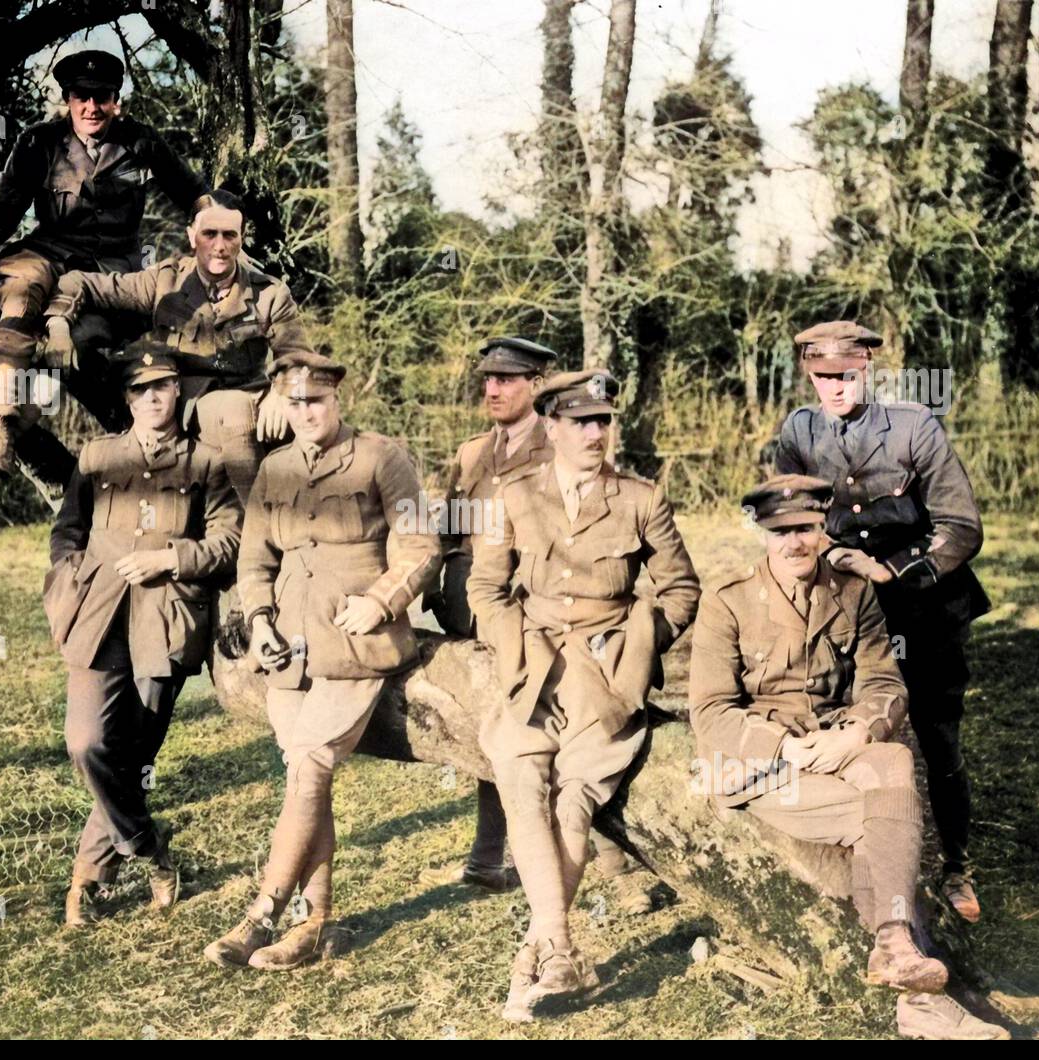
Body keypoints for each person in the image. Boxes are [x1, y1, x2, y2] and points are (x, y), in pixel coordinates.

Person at [688, 474, 1006, 1040]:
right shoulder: (728, 598)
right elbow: (710, 712)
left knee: (893, 765)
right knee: (887, 820)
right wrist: (785, 747)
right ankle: (922, 1005)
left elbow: (886, 684)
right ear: (762, 532)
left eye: (807, 529)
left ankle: (893, 945)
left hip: (831, 746)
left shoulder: (853, 592)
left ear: (823, 528)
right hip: (766, 765)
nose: (794, 543)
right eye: (781, 531)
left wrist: (857, 732)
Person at [467, 369, 700, 1022]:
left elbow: (682, 589)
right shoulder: (511, 495)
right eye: (580, 421)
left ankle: (541, 954)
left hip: (606, 681)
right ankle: (557, 949)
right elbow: (484, 591)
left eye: (603, 420)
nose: (595, 433)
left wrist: (638, 646)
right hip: (533, 667)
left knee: (573, 800)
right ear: (550, 426)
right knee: (518, 776)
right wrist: (515, 656)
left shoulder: (641, 499)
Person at [203, 350, 440, 971]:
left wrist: (382, 601)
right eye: (295, 401)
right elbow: (253, 561)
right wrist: (256, 623)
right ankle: (319, 924)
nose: (307, 411)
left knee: (309, 765)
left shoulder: (380, 457)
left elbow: (419, 548)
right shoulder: (275, 468)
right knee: (306, 779)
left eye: (318, 400)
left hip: (355, 644)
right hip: (288, 648)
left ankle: (261, 916)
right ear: (281, 404)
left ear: (338, 399)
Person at [774, 321, 989, 923]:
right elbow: (790, 514)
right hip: (848, 603)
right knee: (849, 728)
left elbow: (962, 526)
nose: (835, 388)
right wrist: (833, 553)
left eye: (845, 376)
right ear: (809, 374)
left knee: (937, 733)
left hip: (925, 601)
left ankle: (955, 865)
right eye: (823, 377)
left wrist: (896, 568)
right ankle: (865, 867)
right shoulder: (800, 430)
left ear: (866, 369)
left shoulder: (914, 426)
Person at [427, 337, 652, 911]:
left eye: (507, 380)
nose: (493, 390)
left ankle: (614, 864)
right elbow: (450, 530)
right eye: (488, 380)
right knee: (506, 733)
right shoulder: (474, 452)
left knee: (561, 736)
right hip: (477, 610)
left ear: (536, 389)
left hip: (546, 621)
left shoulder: (562, 451)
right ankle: (488, 854)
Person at [0, 50, 208, 484]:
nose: (92, 107)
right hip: (46, 253)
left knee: (78, 343)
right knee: (21, 290)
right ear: (68, 100)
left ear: (116, 100)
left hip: (107, 275)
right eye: (81, 97)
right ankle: (0, 421)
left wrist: (221, 235)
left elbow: (194, 196)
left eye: (102, 97)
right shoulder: (39, 142)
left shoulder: (142, 142)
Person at [43, 346, 241, 927]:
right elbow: (67, 531)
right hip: (99, 617)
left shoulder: (207, 463)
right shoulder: (99, 457)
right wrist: (70, 583)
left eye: (163, 386)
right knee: (85, 743)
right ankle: (151, 846)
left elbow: (228, 542)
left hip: (166, 622)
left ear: (178, 392)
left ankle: (89, 878)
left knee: (131, 756)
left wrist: (171, 559)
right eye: (140, 389)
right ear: (128, 399)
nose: (153, 397)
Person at [43, 189, 310, 505]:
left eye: (230, 235)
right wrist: (58, 323)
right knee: (237, 411)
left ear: (241, 238)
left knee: (306, 417)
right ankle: (260, 530)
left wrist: (286, 392)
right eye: (209, 234)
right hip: (189, 404)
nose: (220, 246)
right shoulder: (164, 281)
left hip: (253, 397)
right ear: (192, 236)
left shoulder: (268, 293)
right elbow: (79, 283)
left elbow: (299, 358)